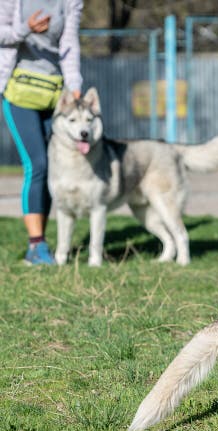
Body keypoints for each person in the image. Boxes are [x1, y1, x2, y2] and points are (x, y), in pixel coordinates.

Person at [1, 0, 82, 265]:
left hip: (54, 93)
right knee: (36, 164)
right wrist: (25, 29)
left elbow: (69, 44)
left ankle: (43, 241)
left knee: (51, 169)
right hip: (18, 90)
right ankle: (36, 246)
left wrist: (74, 84)